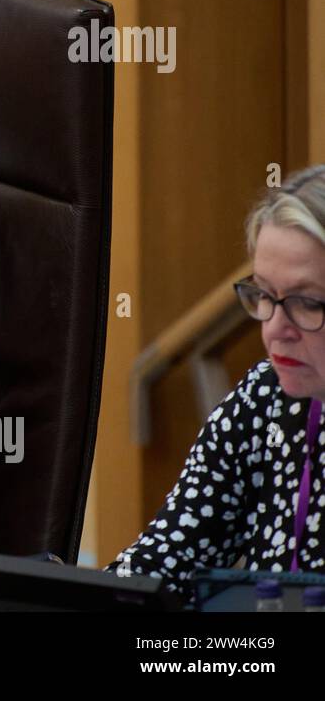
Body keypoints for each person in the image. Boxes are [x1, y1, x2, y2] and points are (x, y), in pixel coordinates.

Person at [109, 167, 325, 598]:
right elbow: (160, 567)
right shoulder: (266, 396)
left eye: (305, 303)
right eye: (264, 294)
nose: (274, 329)